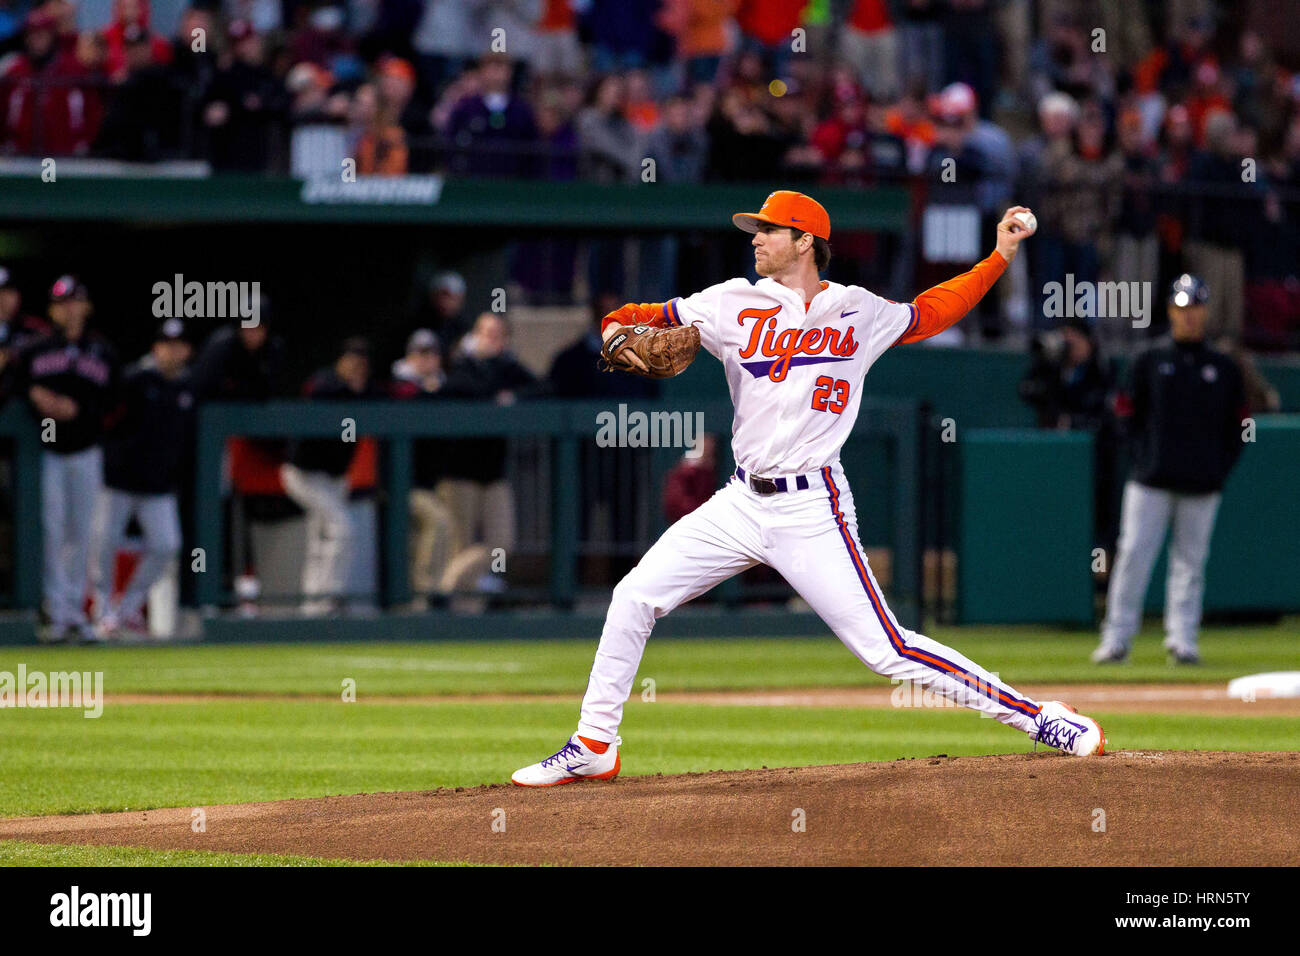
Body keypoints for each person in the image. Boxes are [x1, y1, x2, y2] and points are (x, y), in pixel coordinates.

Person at [512, 190, 1107, 787]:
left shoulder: (857, 310)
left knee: (888, 650)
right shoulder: (728, 301)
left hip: (812, 508)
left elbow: (933, 310)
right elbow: (637, 315)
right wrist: (617, 332)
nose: (755, 238)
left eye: (768, 230)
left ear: (805, 243)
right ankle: (594, 743)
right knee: (633, 597)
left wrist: (1000, 256)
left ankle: (1040, 717)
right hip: (739, 502)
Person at [1092, 275, 1248, 666]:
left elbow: (1242, 426)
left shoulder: (1223, 367)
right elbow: (1124, 412)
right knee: (1132, 557)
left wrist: (1218, 468)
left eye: (1195, 307)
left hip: (1202, 483)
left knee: (1190, 564)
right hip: (1151, 480)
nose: (1189, 315)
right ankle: (1116, 640)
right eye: (1182, 308)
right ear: (1170, 311)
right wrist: (1143, 458)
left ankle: (1182, 641)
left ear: (1205, 311)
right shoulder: (1149, 359)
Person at [12, 276, 118, 642]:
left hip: (86, 448)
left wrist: (79, 408)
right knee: (52, 531)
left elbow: (113, 400)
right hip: (47, 449)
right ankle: (55, 613)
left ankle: (75, 612)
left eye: (75, 301)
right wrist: (36, 395)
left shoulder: (102, 351)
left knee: (83, 533)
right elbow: (14, 386)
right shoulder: (34, 349)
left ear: (86, 307)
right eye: (62, 303)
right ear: (52, 309)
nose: (69, 309)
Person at [91, 318, 194, 638]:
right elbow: (105, 419)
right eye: (166, 345)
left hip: (158, 485)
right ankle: (102, 611)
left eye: (178, 345)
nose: (172, 351)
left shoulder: (187, 387)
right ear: (155, 348)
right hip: (118, 481)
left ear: (187, 350)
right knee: (103, 545)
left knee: (166, 545)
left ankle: (127, 609)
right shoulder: (134, 379)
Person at [436, 312, 539, 601]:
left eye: (497, 335)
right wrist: (496, 390)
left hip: (494, 471)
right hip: (459, 471)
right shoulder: (461, 363)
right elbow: (456, 389)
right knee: (461, 543)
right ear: (475, 334)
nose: (491, 340)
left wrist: (514, 398)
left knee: (501, 544)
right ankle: (462, 609)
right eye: (485, 333)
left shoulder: (506, 367)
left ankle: (443, 587)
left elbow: (544, 387)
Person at [281, 337, 377, 615]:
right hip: (303, 473)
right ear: (340, 360)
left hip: (335, 477)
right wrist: (351, 387)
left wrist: (359, 388)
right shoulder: (326, 382)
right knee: (343, 529)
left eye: (361, 362)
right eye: (351, 360)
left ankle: (312, 605)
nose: (356, 367)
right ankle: (327, 598)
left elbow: (386, 396)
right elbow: (318, 391)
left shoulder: (367, 390)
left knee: (320, 538)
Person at [390, 328, 453, 607]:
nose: (427, 360)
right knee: (439, 524)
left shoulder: (445, 385)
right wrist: (431, 391)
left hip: (432, 480)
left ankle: (418, 598)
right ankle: (424, 594)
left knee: (422, 537)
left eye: (432, 354)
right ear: (410, 356)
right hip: (398, 482)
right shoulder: (398, 385)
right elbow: (407, 397)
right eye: (421, 354)